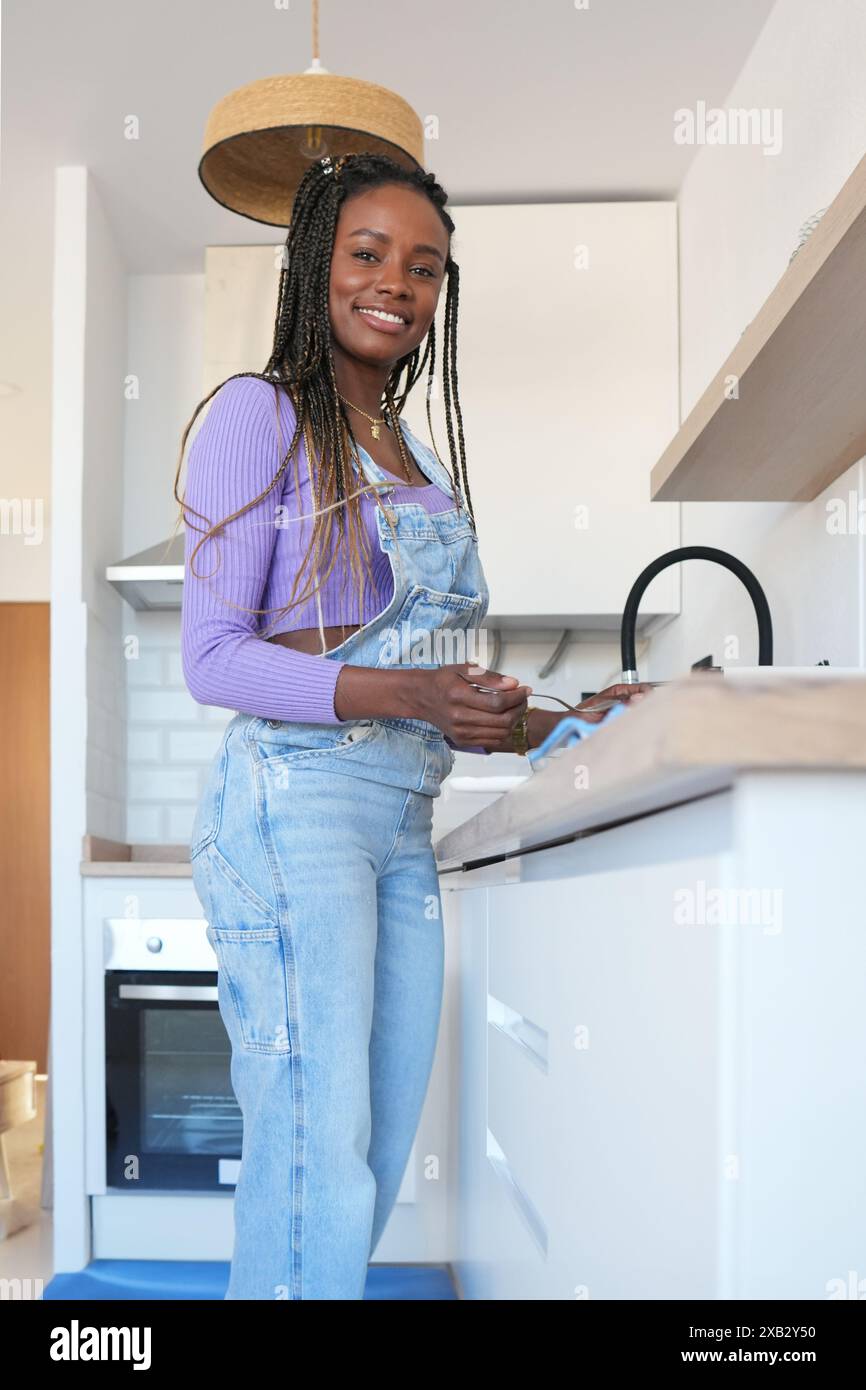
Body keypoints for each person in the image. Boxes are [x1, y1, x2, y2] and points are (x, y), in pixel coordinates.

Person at [174, 151, 648, 1300]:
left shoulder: (414, 457)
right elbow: (214, 657)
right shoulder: (259, 415)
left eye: (424, 267)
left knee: (373, 1149)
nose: (397, 283)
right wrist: (420, 699)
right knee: (310, 1149)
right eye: (368, 254)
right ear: (315, 267)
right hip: (293, 809)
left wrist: (556, 715)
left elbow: (422, 678)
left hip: (399, 820)